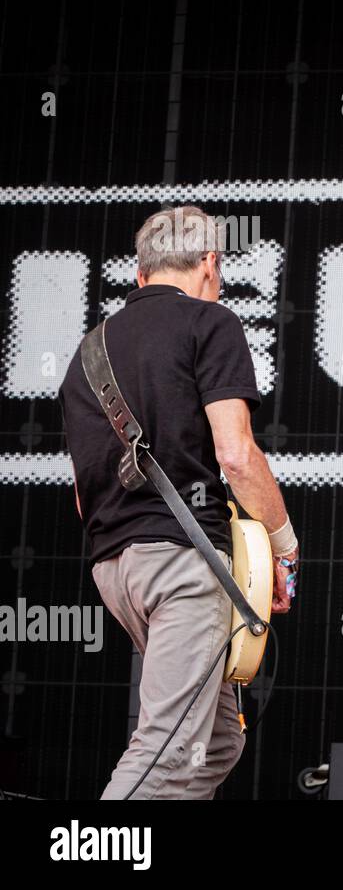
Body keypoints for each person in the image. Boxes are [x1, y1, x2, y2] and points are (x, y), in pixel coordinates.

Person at [58, 206, 298, 799]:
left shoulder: (88, 351)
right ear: (211, 264)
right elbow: (237, 455)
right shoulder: (210, 323)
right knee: (164, 750)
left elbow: (83, 491)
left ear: (141, 274)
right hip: (182, 566)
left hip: (115, 570)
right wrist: (283, 549)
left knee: (216, 741)